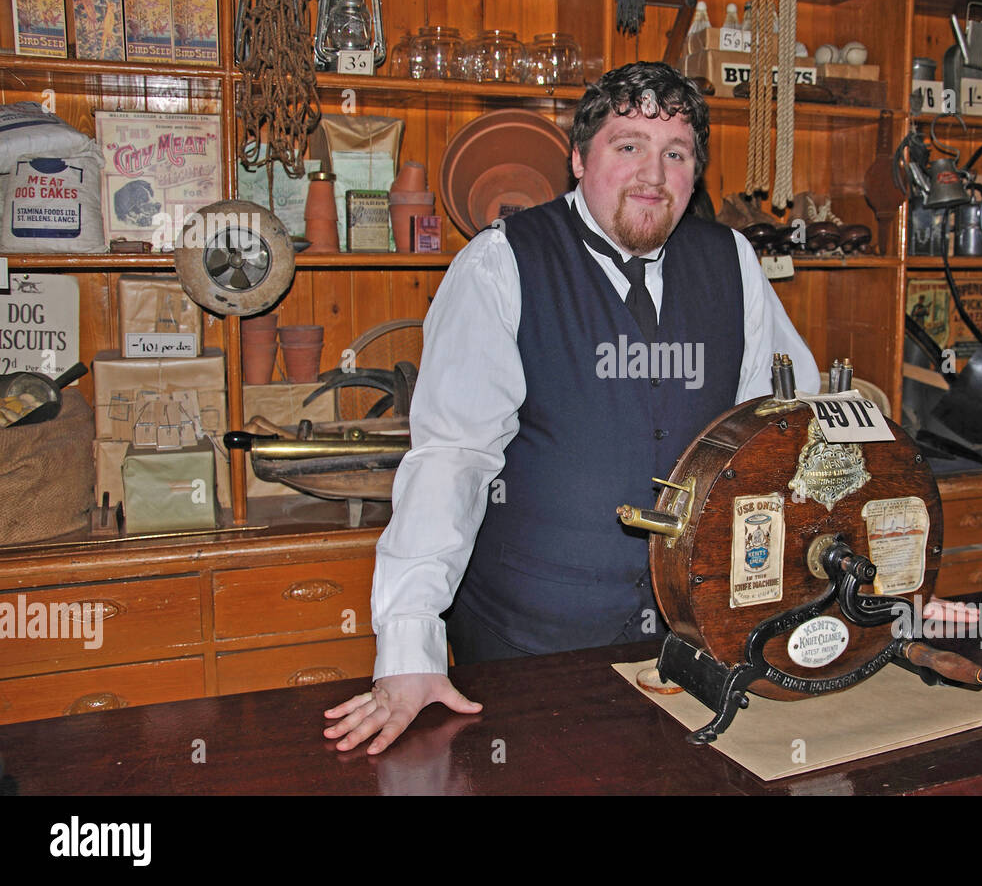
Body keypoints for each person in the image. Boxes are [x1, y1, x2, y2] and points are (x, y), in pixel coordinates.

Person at [324, 62, 819, 754]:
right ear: (579, 159)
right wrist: (409, 644)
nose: (653, 174)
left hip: (692, 636)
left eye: (675, 154)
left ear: (695, 173)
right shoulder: (502, 263)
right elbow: (452, 460)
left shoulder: (731, 260)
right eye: (628, 147)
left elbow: (791, 426)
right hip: (530, 647)